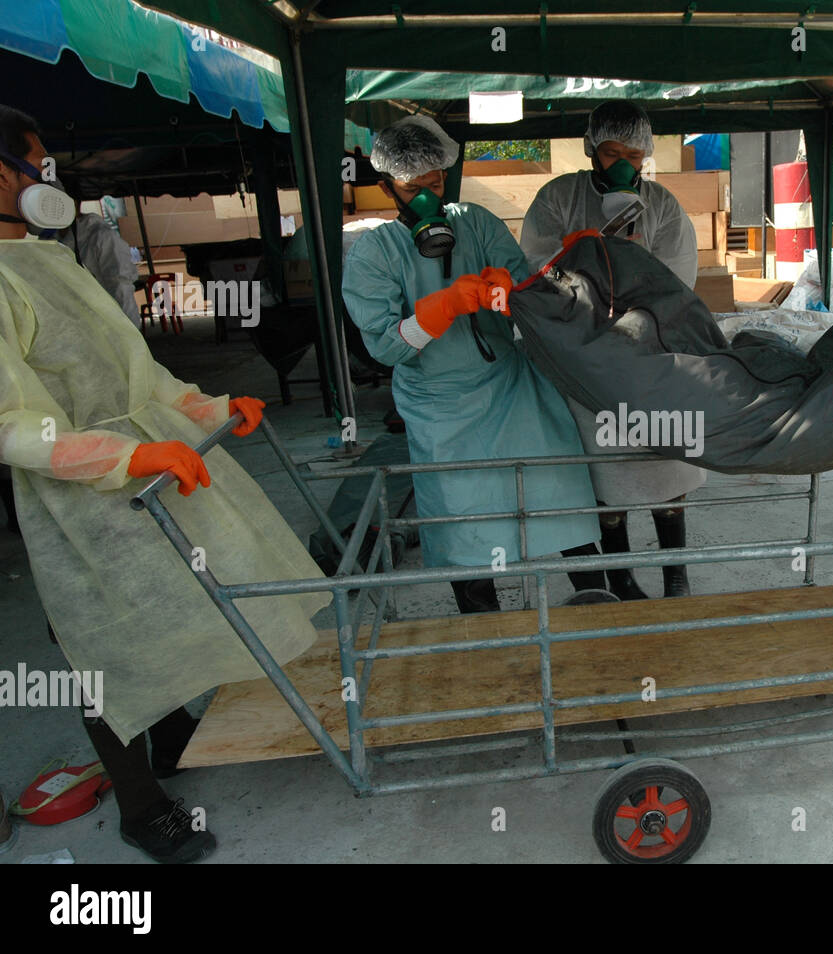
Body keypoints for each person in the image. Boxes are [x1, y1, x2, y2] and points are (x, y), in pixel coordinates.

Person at [0, 105, 330, 862]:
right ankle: (142, 808)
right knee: (103, 648)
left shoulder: (46, 260)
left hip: (139, 466)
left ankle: (174, 733)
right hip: (76, 496)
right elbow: (10, 424)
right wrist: (124, 459)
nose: (46, 180)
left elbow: (137, 374)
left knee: (174, 608)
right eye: (34, 165)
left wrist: (210, 405)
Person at [342, 115, 604, 613]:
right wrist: (440, 309)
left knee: (557, 486)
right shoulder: (374, 253)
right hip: (440, 405)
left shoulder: (476, 222)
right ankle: (482, 621)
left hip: (510, 384)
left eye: (435, 183)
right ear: (385, 187)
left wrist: (509, 292)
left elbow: (526, 289)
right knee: (464, 519)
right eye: (411, 187)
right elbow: (385, 347)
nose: (427, 196)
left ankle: (595, 593)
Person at [519, 102, 705, 599]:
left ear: (646, 155)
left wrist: (635, 266)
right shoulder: (559, 198)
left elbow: (679, 285)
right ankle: (621, 576)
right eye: (610, 152)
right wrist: (577, 257)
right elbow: (534, 269)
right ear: (591, 150)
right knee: (605, 473)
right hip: (584, 356)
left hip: (650, 355)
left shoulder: (662, 206)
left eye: (633, 153)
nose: (622, 163)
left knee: (667, 459)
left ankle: (676, 574)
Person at [58, 204, 140, 322]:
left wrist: (129, 328)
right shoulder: (54, 242)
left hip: (107, 322)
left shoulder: (102, 237)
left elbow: (121, 285)